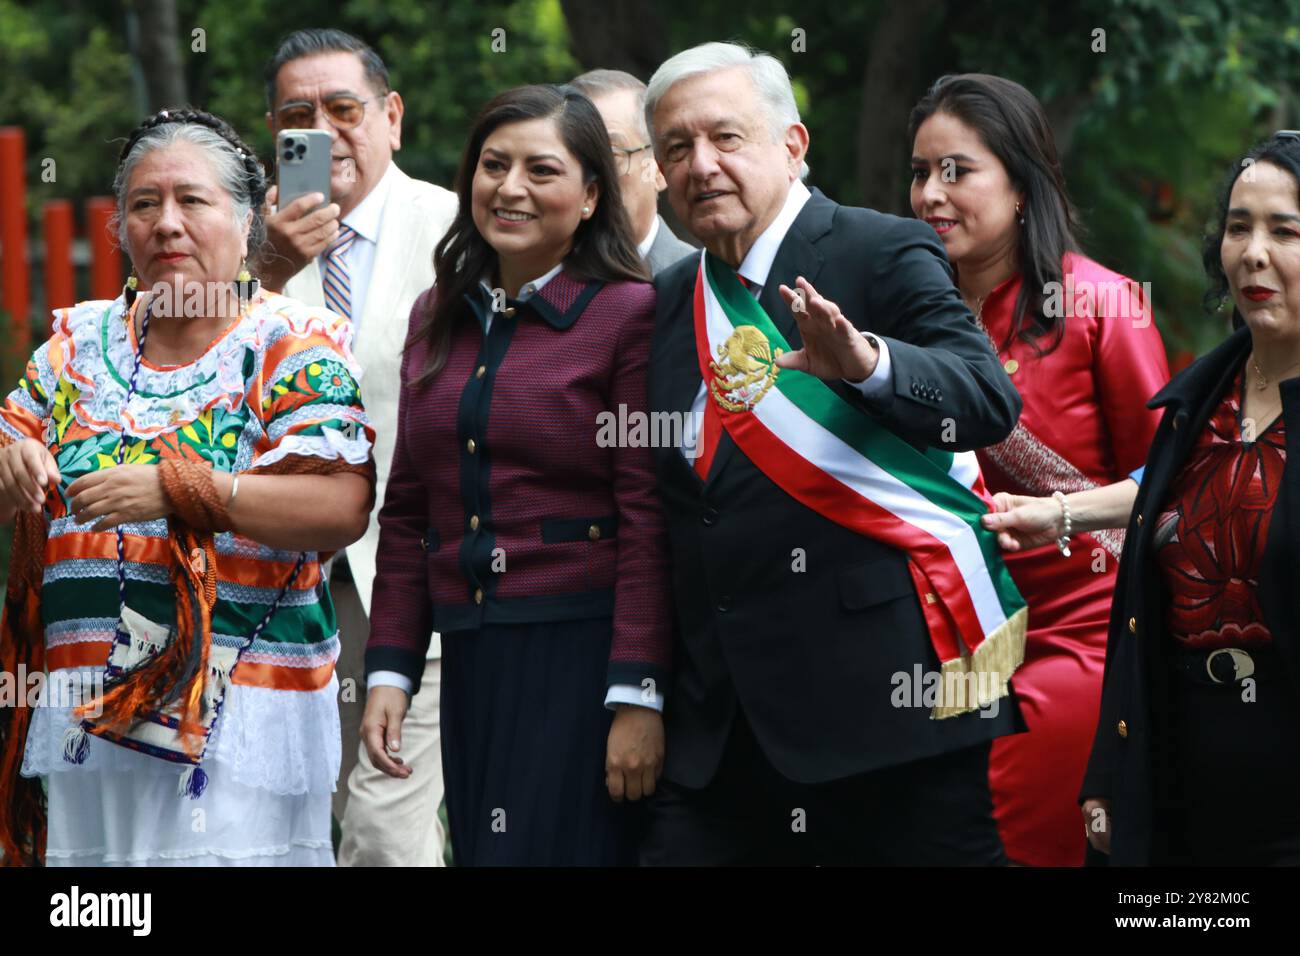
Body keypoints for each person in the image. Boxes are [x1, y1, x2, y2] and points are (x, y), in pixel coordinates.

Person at [640, 42, 1025, 866]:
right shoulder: (668, 302)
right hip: (717, 730)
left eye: (725, 138)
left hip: (883, 716)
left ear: (792, 143)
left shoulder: (877, 247)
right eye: (676, 148)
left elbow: (985, 401)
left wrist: (867, 364)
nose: (701, 165)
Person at [0, 109, 374, 867]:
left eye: (192, 201)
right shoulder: (74, 348)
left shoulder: (289, 347)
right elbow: (13, 442)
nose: (166, 223)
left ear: (246, 224)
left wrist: (184, 488)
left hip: (240, 714)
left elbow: (343, 505)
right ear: (121, 228)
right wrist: (8, 463)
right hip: (84, 710)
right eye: (144, 204)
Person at [360, 84, 671, 866]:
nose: (511, 188)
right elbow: (406, 512)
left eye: (542, 170)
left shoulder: (630, 312)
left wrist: (637, 692)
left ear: (592, 192)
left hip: (581, 655)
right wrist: (392, 668)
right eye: (494, 165)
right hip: (469, 654)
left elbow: (647, 513)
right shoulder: (438, 311)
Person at [908, 74, 1170, 866]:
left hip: (1080, 633)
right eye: (919, 172)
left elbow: (1166, 485)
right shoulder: (901, 317)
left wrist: (1060, 518)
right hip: (937, 642)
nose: (930, 193)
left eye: (957, 170)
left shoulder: (1104, 307)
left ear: (1021, 184)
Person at [256, 28, 458, 866]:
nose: (325, 131)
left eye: (345, 109)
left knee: (383, 837)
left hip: (419, 584)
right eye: (298, 115)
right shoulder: (238, 240)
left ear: (393, 118)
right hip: (275, 593)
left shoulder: (456, 225)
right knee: (295, 831)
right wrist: (263, 273)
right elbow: (184, 370)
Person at [1072, 132, 1300, 865]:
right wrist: (1111, 767)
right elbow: (1139, 600)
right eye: (1239, 227)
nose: (1253, 252)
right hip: (1176, 783)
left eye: (1285, 231)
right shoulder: (1196, 405)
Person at [570, 69, 695, 274]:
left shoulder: (698, 288)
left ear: (659, 168)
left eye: (610, 156)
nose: (587, 178)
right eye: (572, 158)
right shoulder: (527, 278)